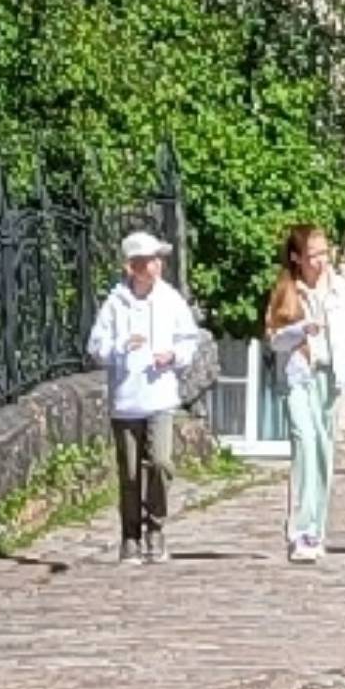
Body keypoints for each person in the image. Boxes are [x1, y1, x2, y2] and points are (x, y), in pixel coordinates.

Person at [86, 230, 213, 561]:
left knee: (160, 462)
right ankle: (130, 536)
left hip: (159, 397)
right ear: (133, 267)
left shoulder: (170, 300)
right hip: (127, 400)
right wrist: (120, 348)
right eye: (150, 260)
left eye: (158, 260)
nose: (157, 266)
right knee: (129, 472)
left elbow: (189, 339)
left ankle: (155, 526)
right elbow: (95, 346)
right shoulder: (115, 304)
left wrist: (172, 355)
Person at [259, 229, 345, 560]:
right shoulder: (286, 291)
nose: (321, 261)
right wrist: (299, 331)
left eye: (324, 253)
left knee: (323, 452)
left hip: (328, 378)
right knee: (304, 441)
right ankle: (300, 532)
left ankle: (317, 529)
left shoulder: (340, 289)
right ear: (297, 258)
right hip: (298, 375)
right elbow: (273, 340)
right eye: (314, 255)